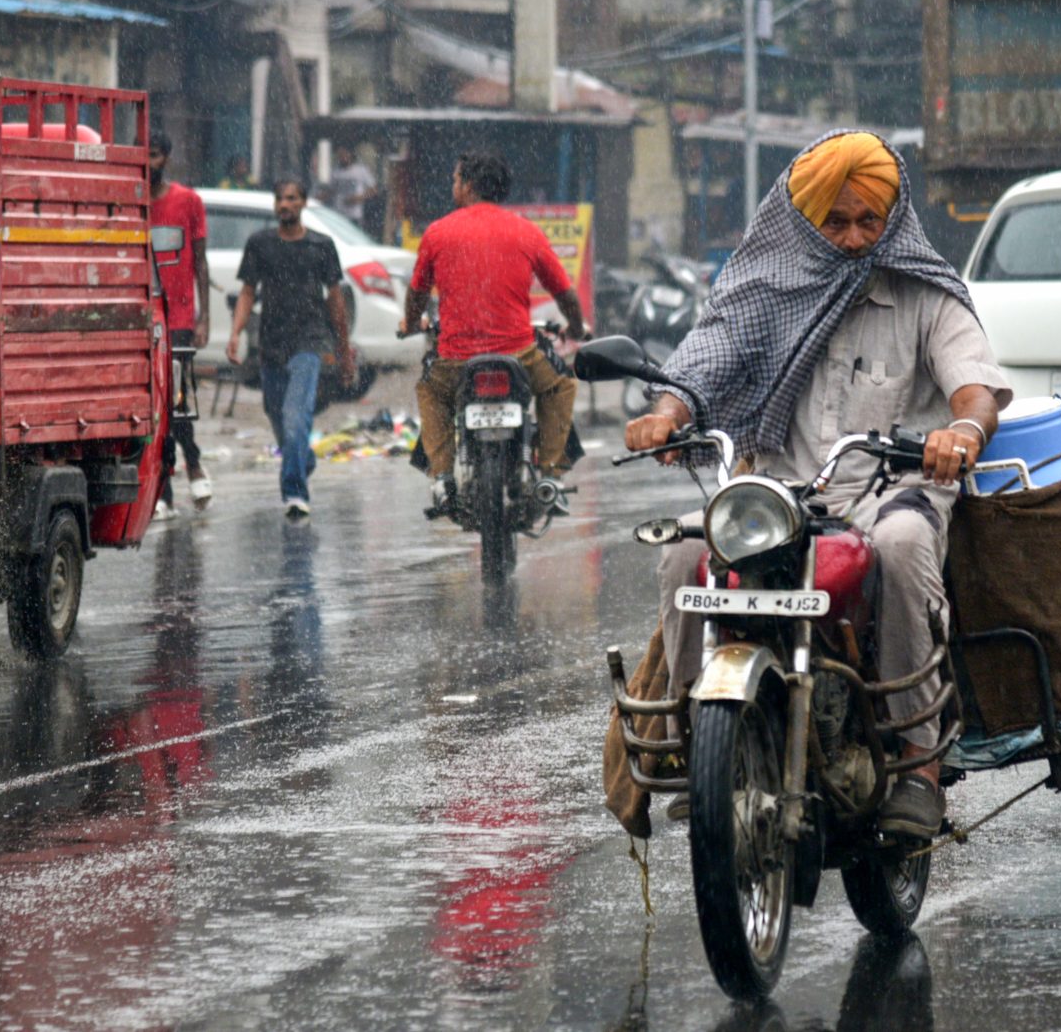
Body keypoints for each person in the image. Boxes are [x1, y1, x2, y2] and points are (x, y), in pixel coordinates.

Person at [626, 131, 1012, 840]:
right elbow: (708, 355)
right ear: (803, 218)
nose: (856, 237)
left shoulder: (927, 296)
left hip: (891, 490)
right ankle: (694, 737)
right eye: (836, 221)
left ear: (893, 219)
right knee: (685, 552)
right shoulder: (763, 291)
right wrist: (667, 414)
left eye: (870, 220)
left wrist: (963, 431)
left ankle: (920, 762)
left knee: (902, 547)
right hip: (781, 495)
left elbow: (976, 387)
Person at [400, 151, 588, 511]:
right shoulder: (527, 232)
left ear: (468, 185)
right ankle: (550, 477)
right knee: (559, 386)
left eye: (456, 179)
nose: (453, 186)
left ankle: (442, 477)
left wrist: (410, 323)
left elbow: (417, 294)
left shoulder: (438, 232)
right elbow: (564, 293)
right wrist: (576, 328)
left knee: (431, 391)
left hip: (455, 361)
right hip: (519, 357)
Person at [228, 174, 357, 520]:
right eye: (280, 199)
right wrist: (235, 333)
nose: (285, 205)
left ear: (303, 203)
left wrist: (343, 349)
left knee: (296, 417)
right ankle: (303, 460)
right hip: (271, 343)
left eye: (292, 198)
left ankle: (295, 493)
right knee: (278, 416)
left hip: (308, 341)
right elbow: (247, 292)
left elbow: (335, 299)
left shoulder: (321, 246)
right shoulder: (260, 244)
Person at [149, 132, 213, 520]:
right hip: (144, 319)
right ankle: (164, 486)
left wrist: (205, 317)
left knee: (176, 400)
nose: (148, 163)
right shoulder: (130, 204)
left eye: (154, 155)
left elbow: (201, 262)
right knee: (152, 406)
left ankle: (192, 462)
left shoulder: (188, 202)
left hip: (179, 318)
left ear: (167, 157)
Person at [327, 145, 377, 228]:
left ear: (350, 154)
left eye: (344, 154)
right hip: (338, 214)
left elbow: (374, 190)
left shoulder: (361, 170)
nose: (342, 157)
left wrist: (358, 198)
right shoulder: (335, 171)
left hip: (354, 216)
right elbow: (331, 191)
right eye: (340, 155)